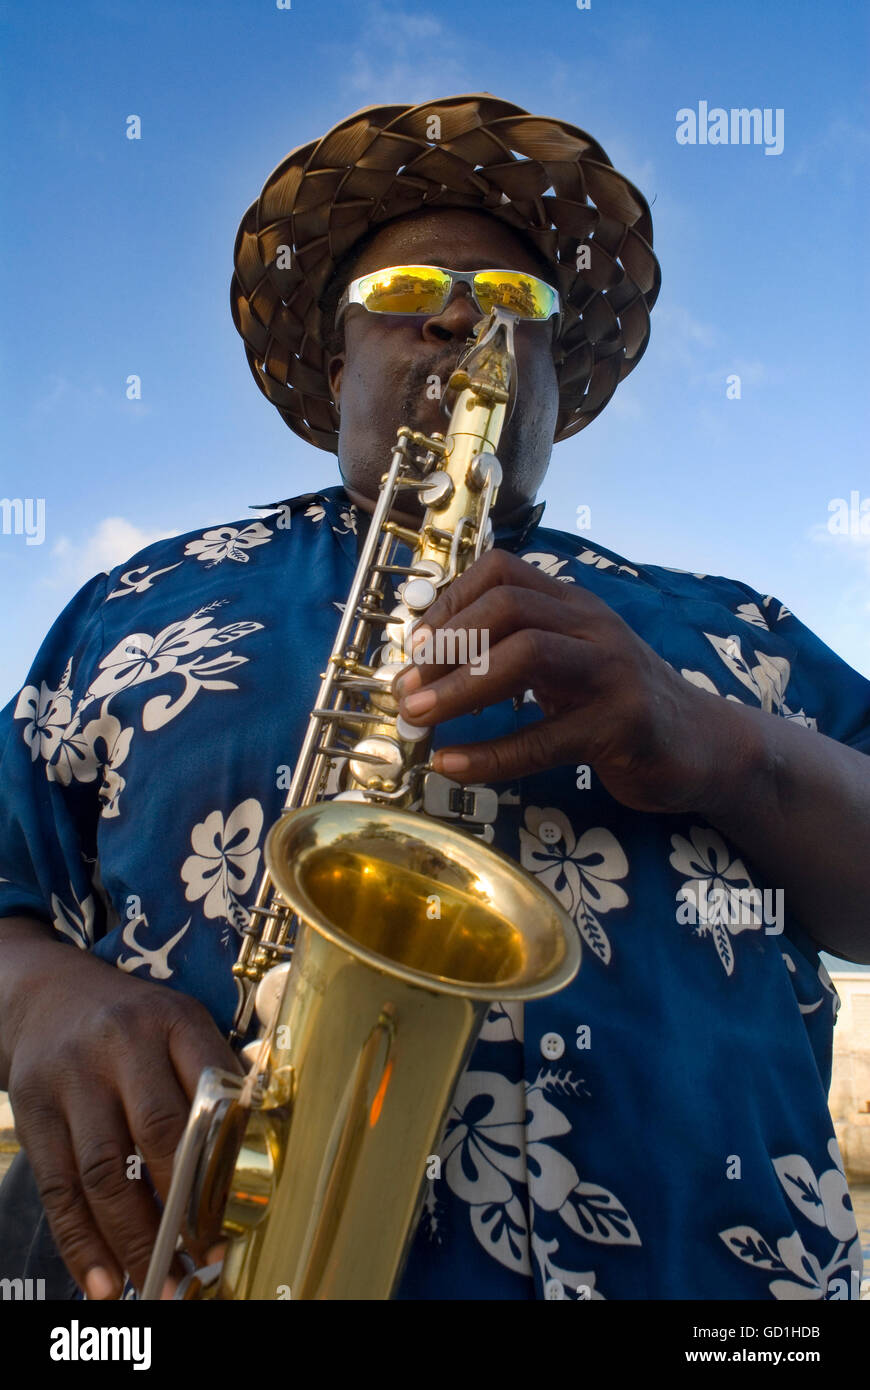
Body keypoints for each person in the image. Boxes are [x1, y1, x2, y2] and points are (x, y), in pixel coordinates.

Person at [0, 93, 867, 1303]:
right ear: (335, 359)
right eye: (408, 294)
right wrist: (34, 990)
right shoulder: (132, 605)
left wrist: (717, 740)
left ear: (559, 378)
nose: (465, 315)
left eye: (520, 303)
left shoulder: (740, 627)